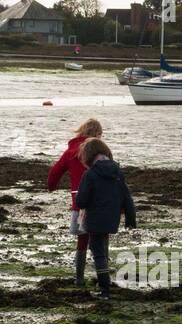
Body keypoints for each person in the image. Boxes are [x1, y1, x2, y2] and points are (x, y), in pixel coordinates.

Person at [74, 138, 136, 299]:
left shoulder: (90, 174)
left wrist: (80, 198)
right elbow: (127, 197)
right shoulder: (117, 171)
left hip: (94, 219)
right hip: (112, 219)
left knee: (98, 253)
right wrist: (131, 219)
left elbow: (81, 201)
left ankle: (104, 288)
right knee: (101, 249)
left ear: (88, 156)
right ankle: (104, 283)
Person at [47, 118, 102, 285]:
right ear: (96, 134)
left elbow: (55, 171)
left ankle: (79, 278)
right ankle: (102, 277)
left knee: (82, 238)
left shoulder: (70, 151)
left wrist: (51, 186)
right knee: (101, 237)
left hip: (79, 204)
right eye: (100, 134)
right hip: (99, 203)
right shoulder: (99, 151)